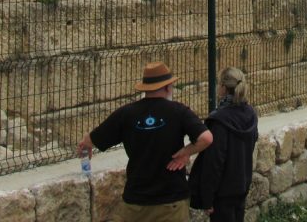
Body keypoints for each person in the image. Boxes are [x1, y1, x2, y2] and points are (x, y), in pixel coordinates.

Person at [77, 61, 213, 222]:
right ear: (168, 87)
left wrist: (85, 147)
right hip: (171, 202)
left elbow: (91, 140)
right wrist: (186, 152)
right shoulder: (179, 111)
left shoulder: (126, 113)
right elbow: (206, 138)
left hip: (136, 203)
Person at [189, 67, 258, 222]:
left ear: (223, 88)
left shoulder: (219, 121)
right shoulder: (250, 114)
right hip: (242, 185)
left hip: (223, 193)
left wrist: (207, 199)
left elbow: (214, 163)